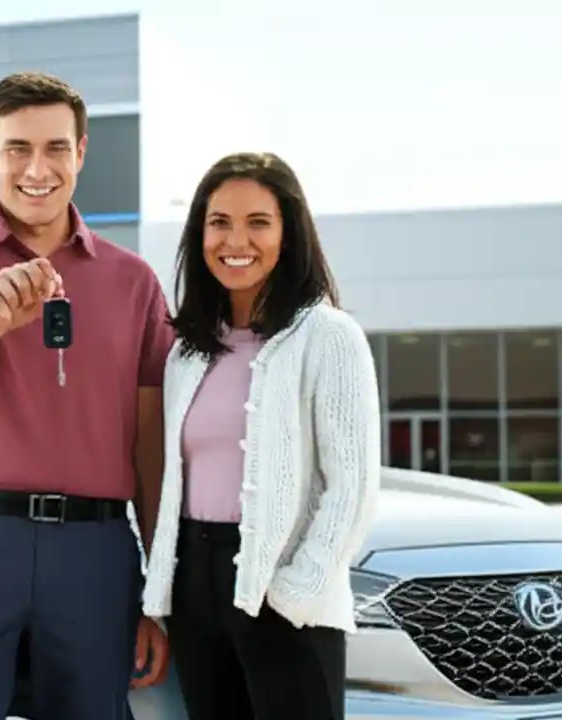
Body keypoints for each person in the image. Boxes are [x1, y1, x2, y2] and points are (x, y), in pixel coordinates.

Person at [0, 70, 172, 720]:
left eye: (55, 148)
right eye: (18, 148)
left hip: (96, 550)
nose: (37, 168)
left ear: (81, 152)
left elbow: (152, 449)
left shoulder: (134, 282)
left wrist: (158, 592)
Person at [140, 152, 381, 719]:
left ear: (288, 233)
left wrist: (297, 590)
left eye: (258, 223)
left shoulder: (329, 338)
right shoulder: (187, 352)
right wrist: (162, 595)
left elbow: (352, 487)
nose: (235, 240)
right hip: (196, 589)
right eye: (219, 222)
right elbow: (172, 482)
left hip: (283, 593)